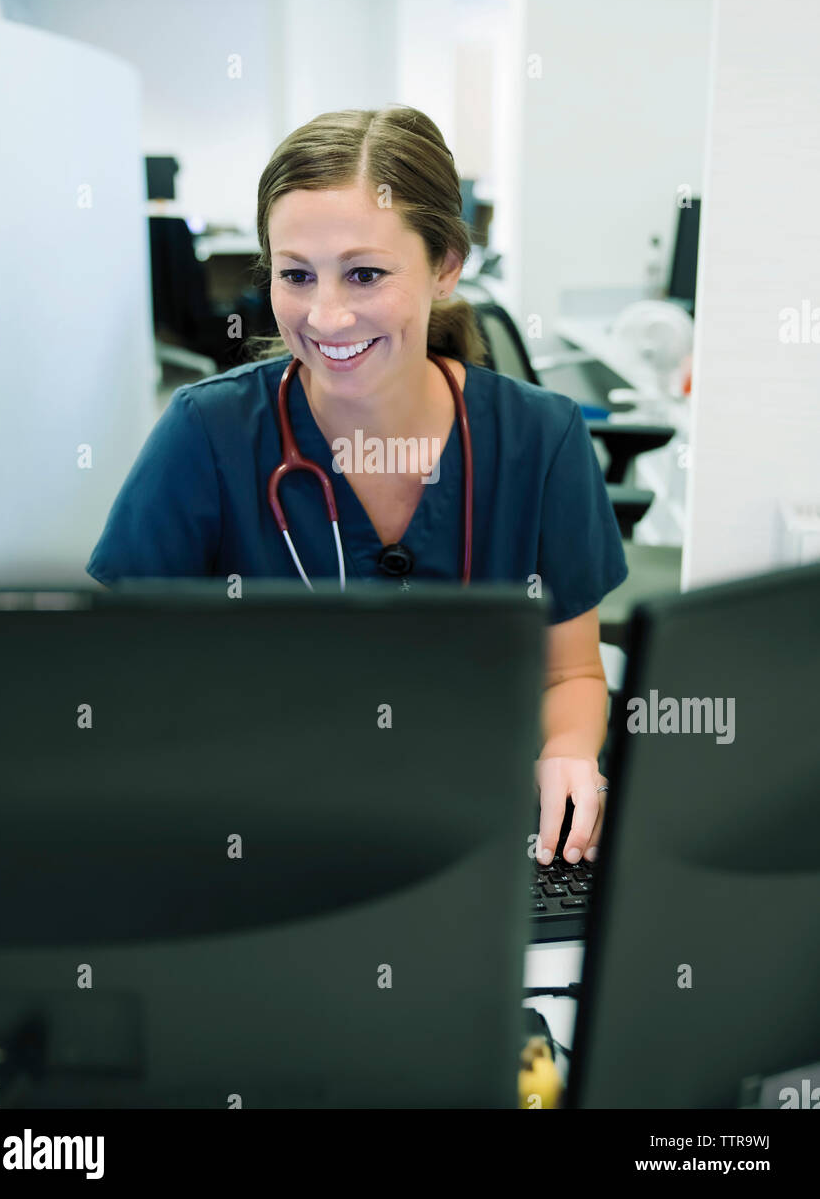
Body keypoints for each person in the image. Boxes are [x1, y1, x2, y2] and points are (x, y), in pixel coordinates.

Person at [87, 105, 628, 864]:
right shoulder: (208, 435)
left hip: (478, 840)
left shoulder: (540, 440)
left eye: (365, 273)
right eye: (295, 275)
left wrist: (568, 752)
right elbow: (116, 674)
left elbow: (569, 670)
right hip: (260, 839)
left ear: (444, 266)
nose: (326, 315)